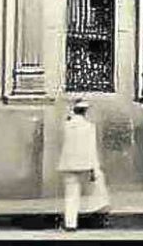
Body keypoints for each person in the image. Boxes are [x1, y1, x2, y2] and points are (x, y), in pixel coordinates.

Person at [58, 99, 110, 231]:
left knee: (71, 195)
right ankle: (98, 213)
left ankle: (70, 224)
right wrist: (94, 167)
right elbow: (91, 148)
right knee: (96, 189)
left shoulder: (66, 125)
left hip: (68, 164)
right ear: (85, 112)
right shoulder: (89, 126)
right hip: (85, 164)